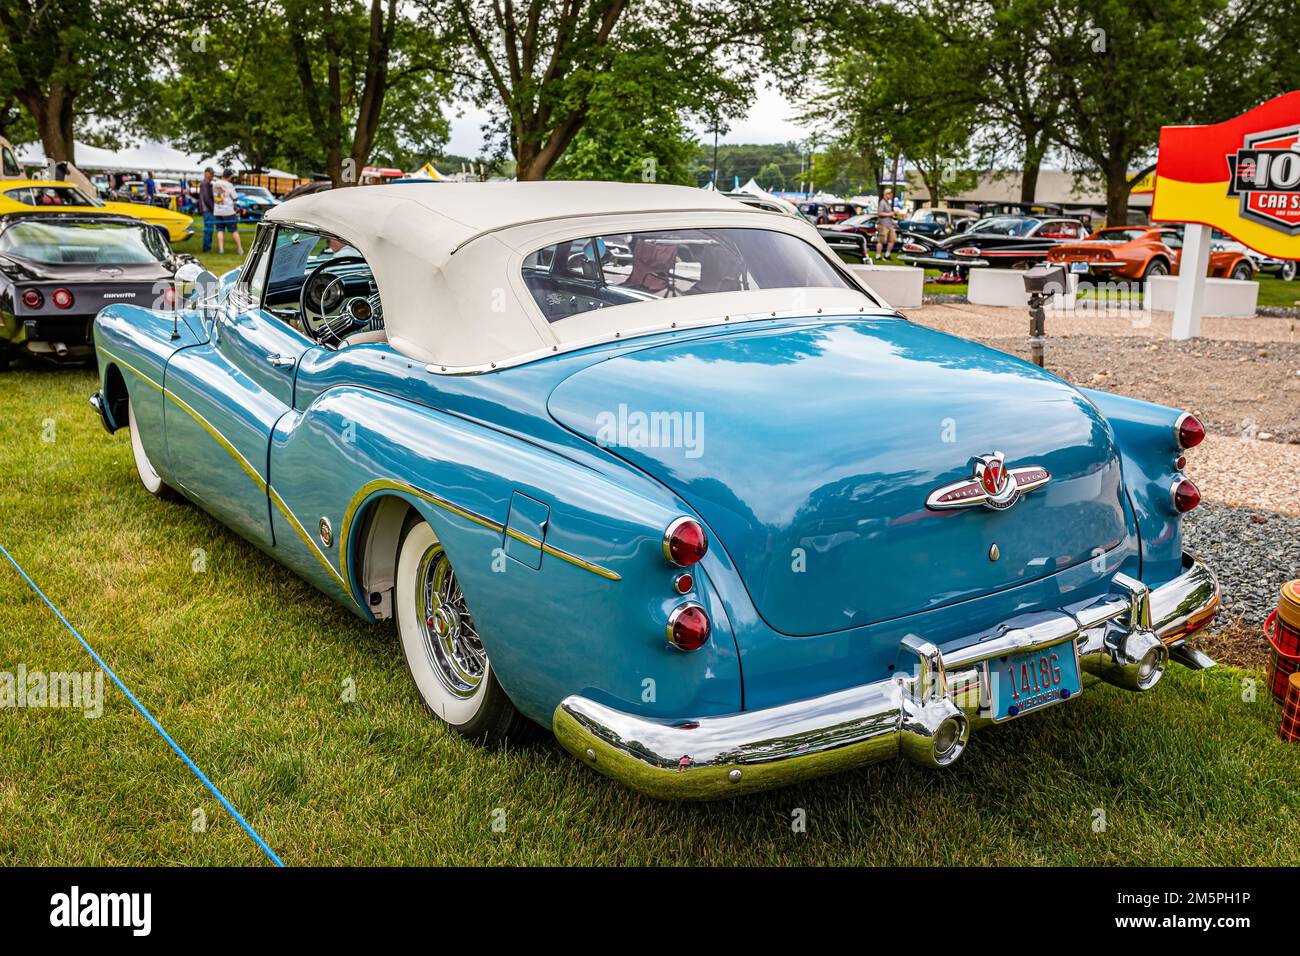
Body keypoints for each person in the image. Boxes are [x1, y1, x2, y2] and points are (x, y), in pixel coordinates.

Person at [212, 168, 243, 256]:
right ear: (229, 176)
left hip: (217, 211)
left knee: (220, 230)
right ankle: (239, 249)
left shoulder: (215, 184)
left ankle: (221, 249)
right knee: (234, 230)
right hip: (228, 211)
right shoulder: (229, 185)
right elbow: (235, 197)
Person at [875, 188, 897, 261]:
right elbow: (880, 213)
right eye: (889, 194)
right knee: (881, 241)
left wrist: (893, 221)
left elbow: (889, 215)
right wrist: (890, 213)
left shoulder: (888, 203)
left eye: (891, 194)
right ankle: (878, 256)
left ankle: (887, 255)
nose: (891, 195)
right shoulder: (882, 203)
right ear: (885, 194)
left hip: (889, 225)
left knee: (893, 239)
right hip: (883, 225)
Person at [198, 167, 216, 253]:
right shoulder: (205, 184)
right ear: (206, 173)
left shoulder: (206, 183)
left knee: (209, 228)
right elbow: (206, 198)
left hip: (206, 209)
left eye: (213, 174)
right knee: (209, 229)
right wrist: (213, 208)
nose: (212, 176)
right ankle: (207, 248)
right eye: (211, 174)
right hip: (207, 209)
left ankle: (207, 247)